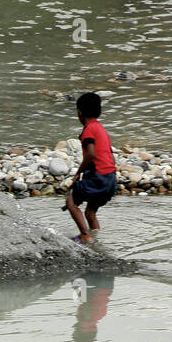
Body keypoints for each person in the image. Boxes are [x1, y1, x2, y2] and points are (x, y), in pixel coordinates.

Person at [63, 92, 117, 240]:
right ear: (100, 112)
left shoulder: (88, 130)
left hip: (98, 177)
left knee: (71, 201)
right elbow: (111, 157)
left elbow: (91, 154)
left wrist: (78, 173)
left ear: (79, 113)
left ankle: (85, 235)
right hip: (110, 179)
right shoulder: (102, 131)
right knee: (90, 213)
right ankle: (95, 238)